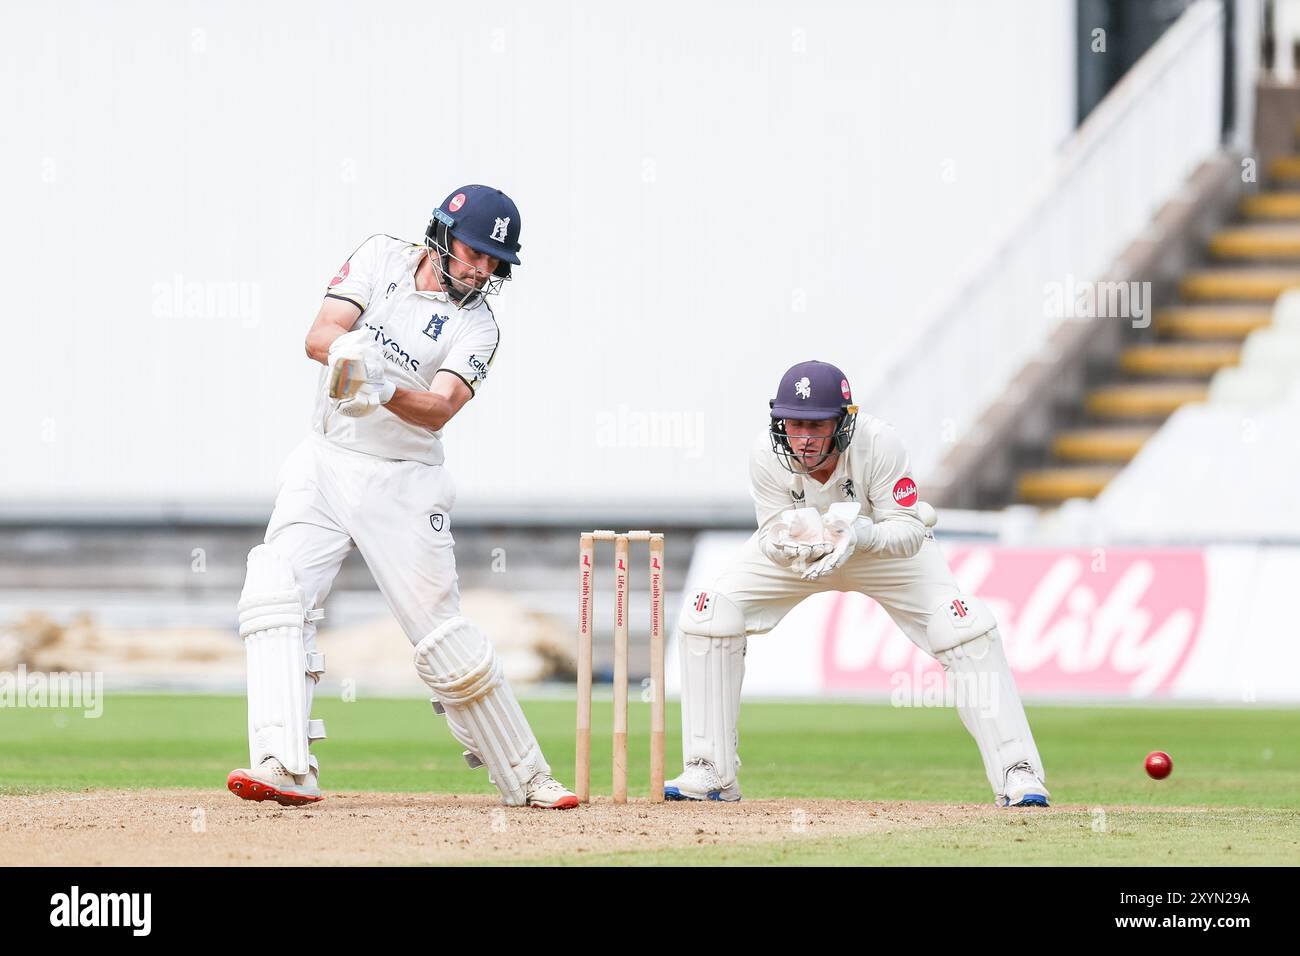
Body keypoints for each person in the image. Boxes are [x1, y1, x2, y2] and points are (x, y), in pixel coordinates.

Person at [227, 184, 578, 809]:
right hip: (324, 458)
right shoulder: (381, 256)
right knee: (275, 591)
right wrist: (350, 358)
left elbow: (440, 408)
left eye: (495, 262)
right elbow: (319, 334)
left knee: (442, 637)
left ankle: (527, 777)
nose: (482, 270)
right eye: (475, 253)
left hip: (403, 480)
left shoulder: (479, 327)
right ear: (442, 235)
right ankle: (284, 764)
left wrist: (382, 389)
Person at [665, 359, 1049, 807]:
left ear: (842, 422)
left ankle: (1017, 771)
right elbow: (768, 534)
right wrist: (792, 543)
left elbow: (908, 531)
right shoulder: (765, 453)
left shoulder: (880, 443)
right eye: (794, 424)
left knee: (962, 625)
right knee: (708, 613)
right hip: (805, 551)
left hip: (879, 548)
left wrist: (862, 535)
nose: (803, 438)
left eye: (816, 425)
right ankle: (710, 769)